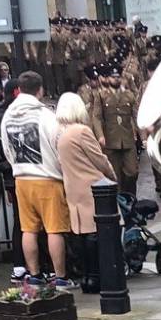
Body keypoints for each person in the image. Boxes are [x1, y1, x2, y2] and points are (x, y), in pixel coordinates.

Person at [0, 71, 74, 287]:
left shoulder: (8, 116)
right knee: (54, 229)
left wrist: (17, 166)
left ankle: (34, 274)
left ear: (19, 89)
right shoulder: (46, 116)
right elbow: (57, 143)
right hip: (47, 178)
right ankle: (60, 276)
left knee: (28, 229)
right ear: (40, 90)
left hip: (22, 178)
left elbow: (7, 148)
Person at [54, 92, 115, 294]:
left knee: (82, 233)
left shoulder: (61, 134)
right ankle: (98, 277)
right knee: (95, 234)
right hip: (92, 188)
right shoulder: (81, 131)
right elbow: (99, 159)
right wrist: (112, 176)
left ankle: (88, 277)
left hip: (73, 189)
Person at [98, 70, 139, 197]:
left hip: (127, 139)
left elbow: (137, 115)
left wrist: (143, 137)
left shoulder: (129, 95)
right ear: (107, 78)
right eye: (113, 77)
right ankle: (120, 201)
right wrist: (100, 135)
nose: (116, 79)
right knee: (115, 175)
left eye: (118, 77)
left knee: (132, 172)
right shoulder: (102, 95)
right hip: (111, 140)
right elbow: (96, 117)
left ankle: (131, 197)